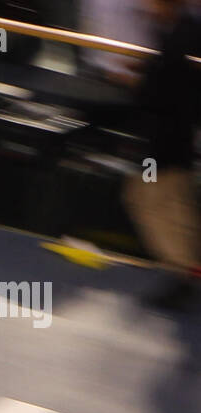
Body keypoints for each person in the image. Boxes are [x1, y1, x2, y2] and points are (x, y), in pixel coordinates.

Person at [123, 0, 201, 311]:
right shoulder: (171, 32)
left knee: (156, 196)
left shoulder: (185, 36)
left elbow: (174, 88)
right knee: (154, 197)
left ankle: (185, 273)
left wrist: (142, 81)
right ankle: (184, 271)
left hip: (169, 143)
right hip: (163, 141)